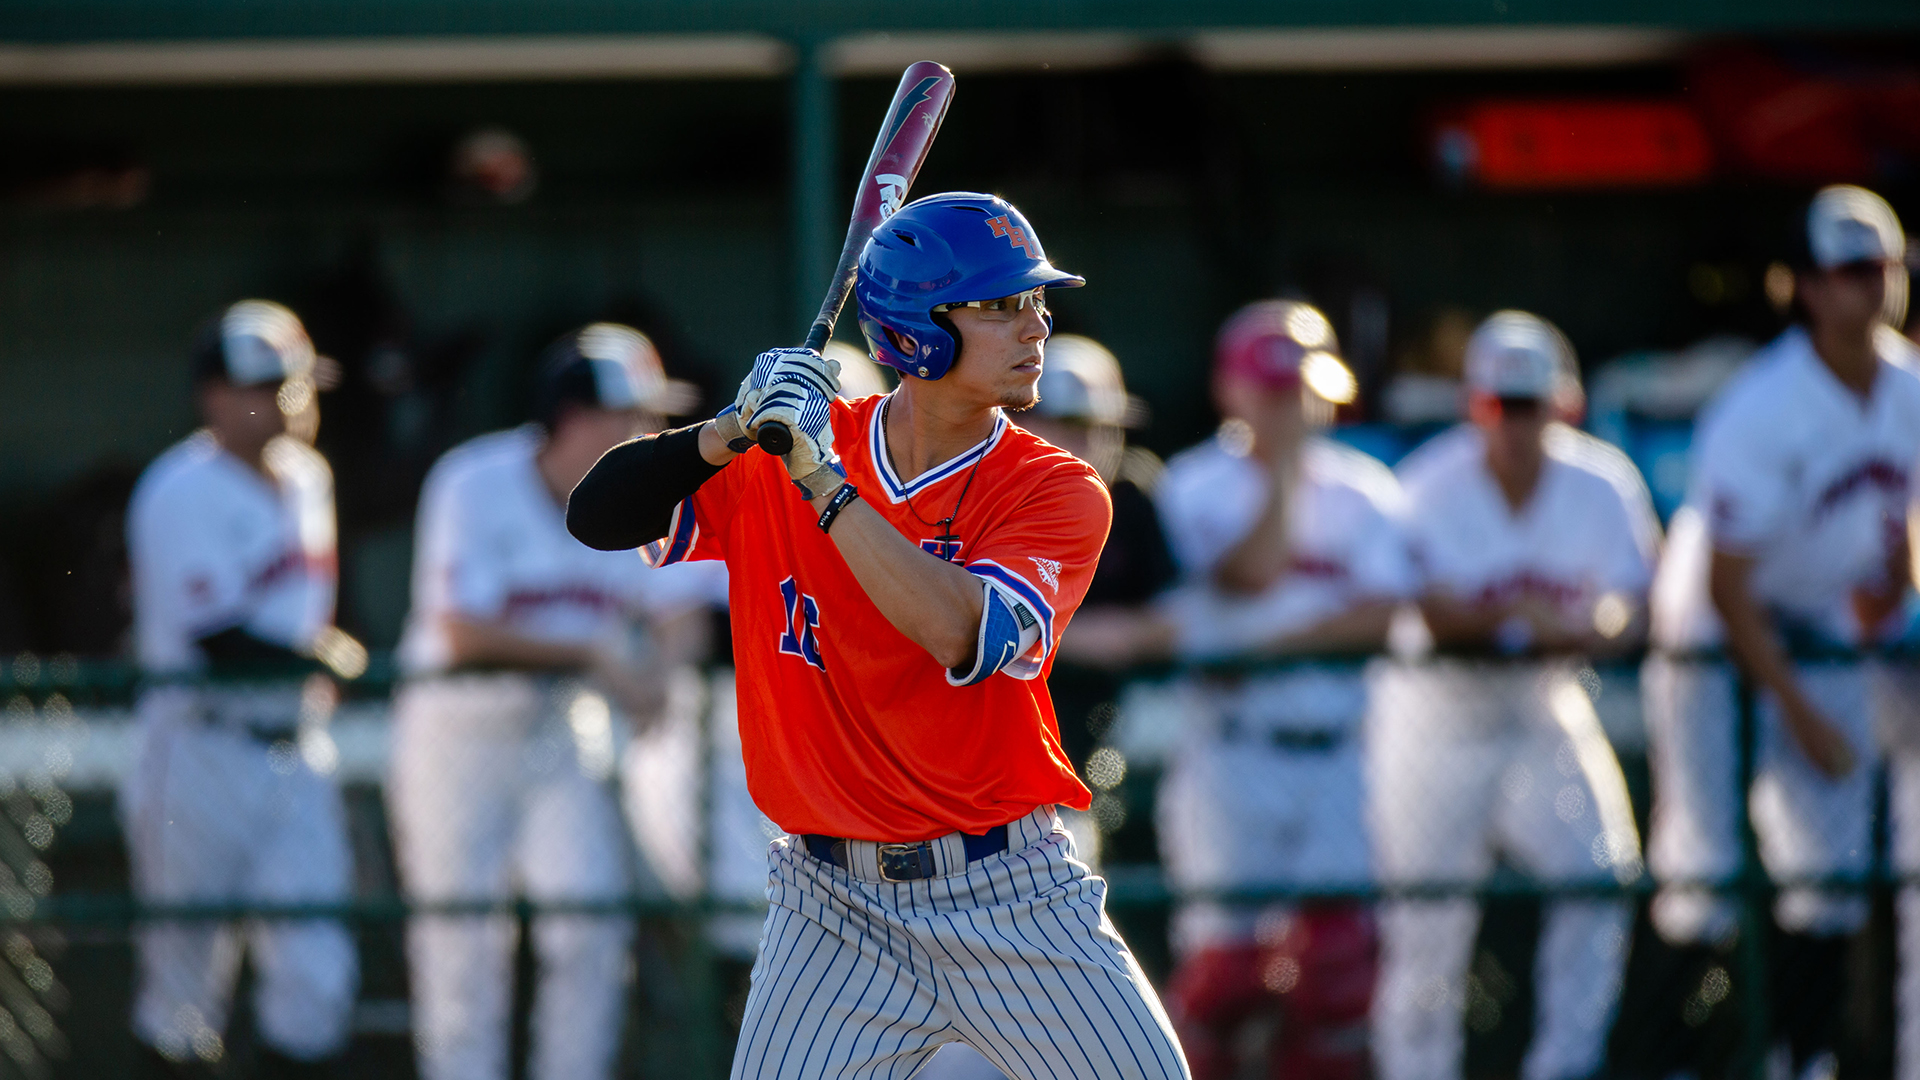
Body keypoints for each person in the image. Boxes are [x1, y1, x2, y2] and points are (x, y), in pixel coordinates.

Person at [567, 191, 1190, 1080]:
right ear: (919, 334)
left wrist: (820, 482)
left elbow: (955, 633)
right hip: (827, 905)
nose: (1037, 328)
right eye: (1003, 306)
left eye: (1036, 304)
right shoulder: (781, 457)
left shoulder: (1056, 487)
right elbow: (596, 516)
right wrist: (725, 432)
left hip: (1006, 890)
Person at [1078, 301, 1410, 1079]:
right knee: (1226, 978)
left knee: (1334, 976)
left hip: (1339, 757)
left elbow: (1384, 617)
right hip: (1234, 752)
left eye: (1302, 389)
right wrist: (1286, 472)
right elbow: (1248, 572)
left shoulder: (1366, 489)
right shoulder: (1195, 484)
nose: (1293, 405)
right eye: (1273, 389)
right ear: (1232, 389)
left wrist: (1263, 640)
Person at [387, 323, 715, 1080]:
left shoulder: (639, 497)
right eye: (632, 416)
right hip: (457, 738)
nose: (650, 433)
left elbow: (687, 610)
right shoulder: (473, 480)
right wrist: (595, 654)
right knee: (462, 948)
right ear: (576, 421)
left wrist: (660, 665)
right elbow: (462, 632)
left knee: (591, 928)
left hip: (563, 736)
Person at [1643, 184, 1920, 1080]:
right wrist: (1796, 708)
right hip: (1716, 630)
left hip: (1825, 622)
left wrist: (1896, 587)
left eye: (1875, 268)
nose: (1863, 289)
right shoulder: (1763, 406)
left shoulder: (1911, 390)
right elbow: (1728, 585)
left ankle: (1804, 1062)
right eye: (1841, 272)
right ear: (1803, 286)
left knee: (1831, 869)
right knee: (1704, 865)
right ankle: (1685, 1061)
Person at [1369, 311, 1657, 1080]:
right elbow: (1428, 613)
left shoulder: (1602, 484)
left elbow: (1633, 608)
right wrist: (1520, 618)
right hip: (1435, 718)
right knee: (1428, 925)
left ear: (1564, 405)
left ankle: (1565, 1066)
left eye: (1528, 405)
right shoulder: (1429, 483)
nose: (1513, 422)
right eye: (1498, 405)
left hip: (1542, 707)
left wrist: (1584, 626)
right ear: (1473, 406)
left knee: (1602, 876)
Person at [122, 300, 363, 1079]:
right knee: (185, 993)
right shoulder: (178, 487)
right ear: (214, 397)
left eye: (298, 384)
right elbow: (220, 640)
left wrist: (319, 658)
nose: (291, 401)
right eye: (267, 385)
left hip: (298, 752)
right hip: (200, 749)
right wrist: (320, 654)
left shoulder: (310, 477)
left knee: (317, 982)